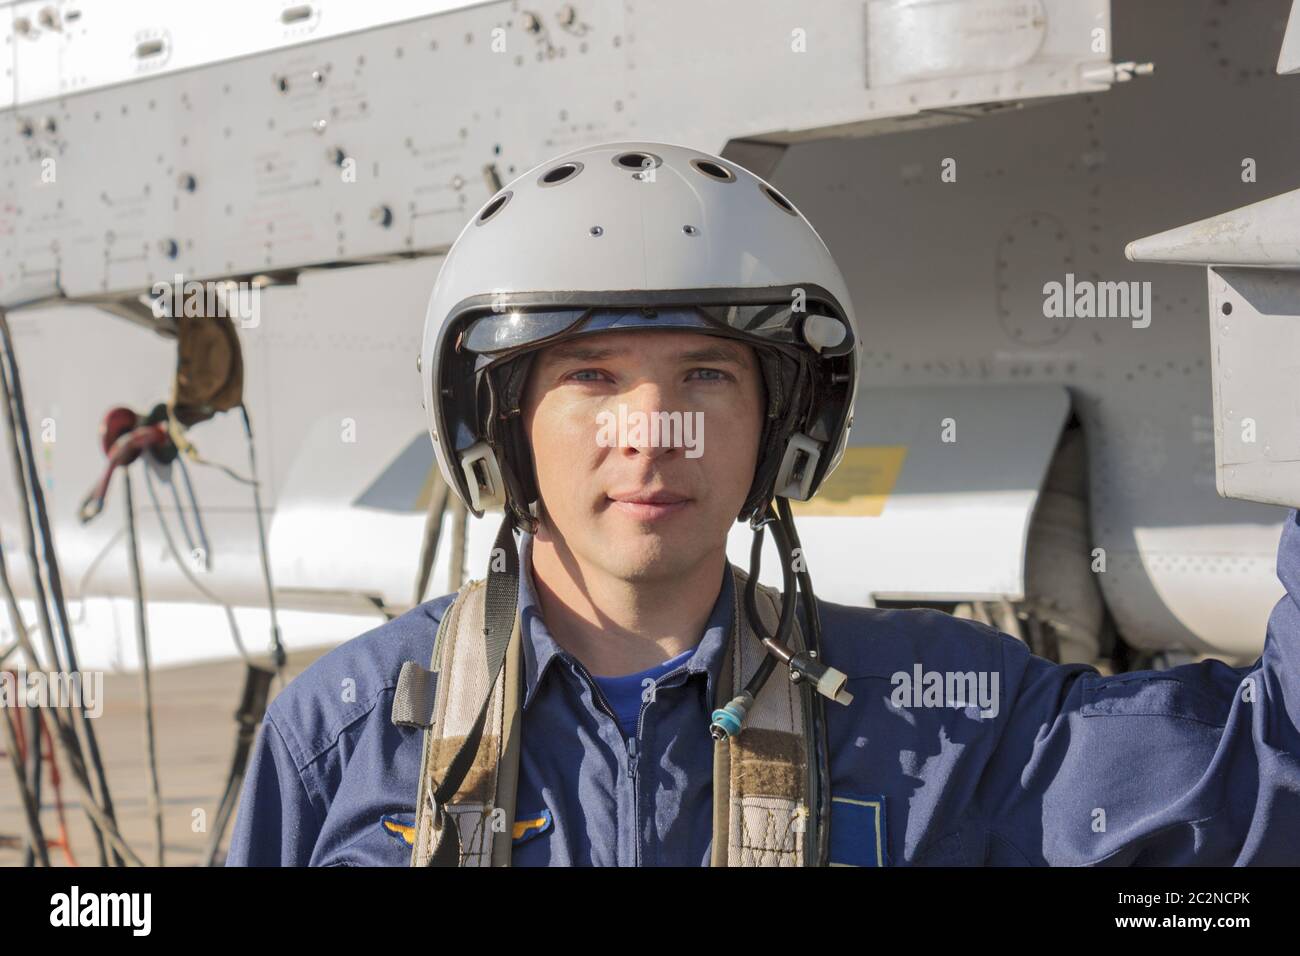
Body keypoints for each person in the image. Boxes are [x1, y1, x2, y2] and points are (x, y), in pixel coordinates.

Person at [226, 141, 1300, 867]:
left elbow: (1260, 781)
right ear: (505, 423)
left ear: (780, 427)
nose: (652, 431)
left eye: (705, 375)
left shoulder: (939, 710)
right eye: (592, 377)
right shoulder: (341, 736)